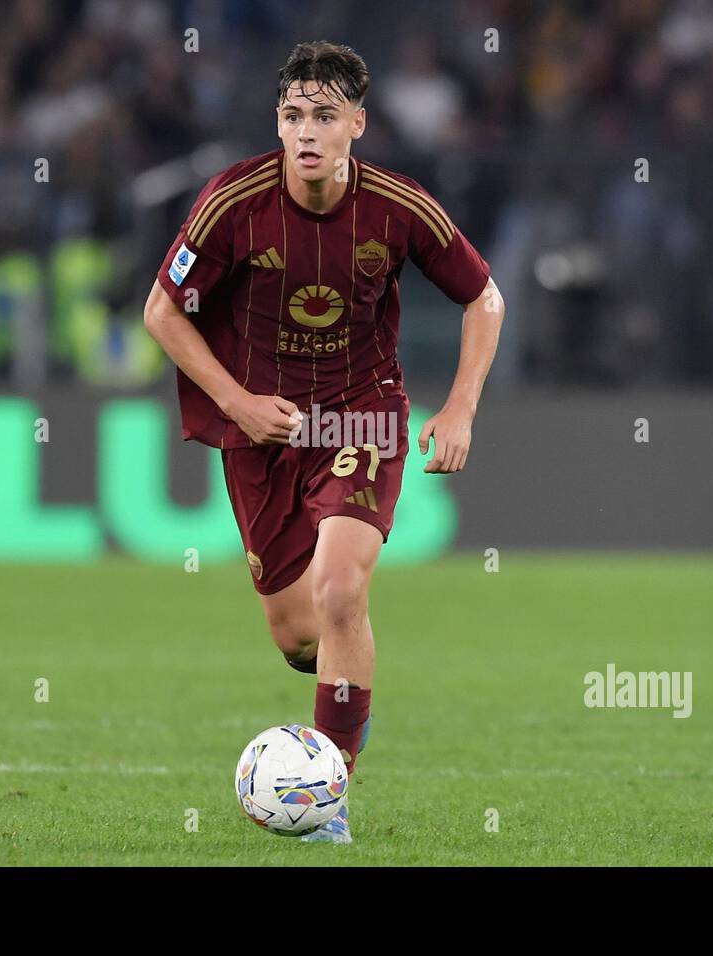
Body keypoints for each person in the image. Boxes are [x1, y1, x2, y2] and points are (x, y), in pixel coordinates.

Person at [143, 40, 504, 844]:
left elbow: (484, 297)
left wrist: (461, 409)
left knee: (343, 590)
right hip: (261, 428)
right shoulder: (230, 202)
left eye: (325, 116)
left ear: (357, 126)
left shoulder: (399, 208)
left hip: (360, 412)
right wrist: (236, 401)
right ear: (277, 122)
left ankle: (328, 799)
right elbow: (162, 312)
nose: (307, 132)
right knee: (296, 632)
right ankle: (347, 690)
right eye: (294, 115)